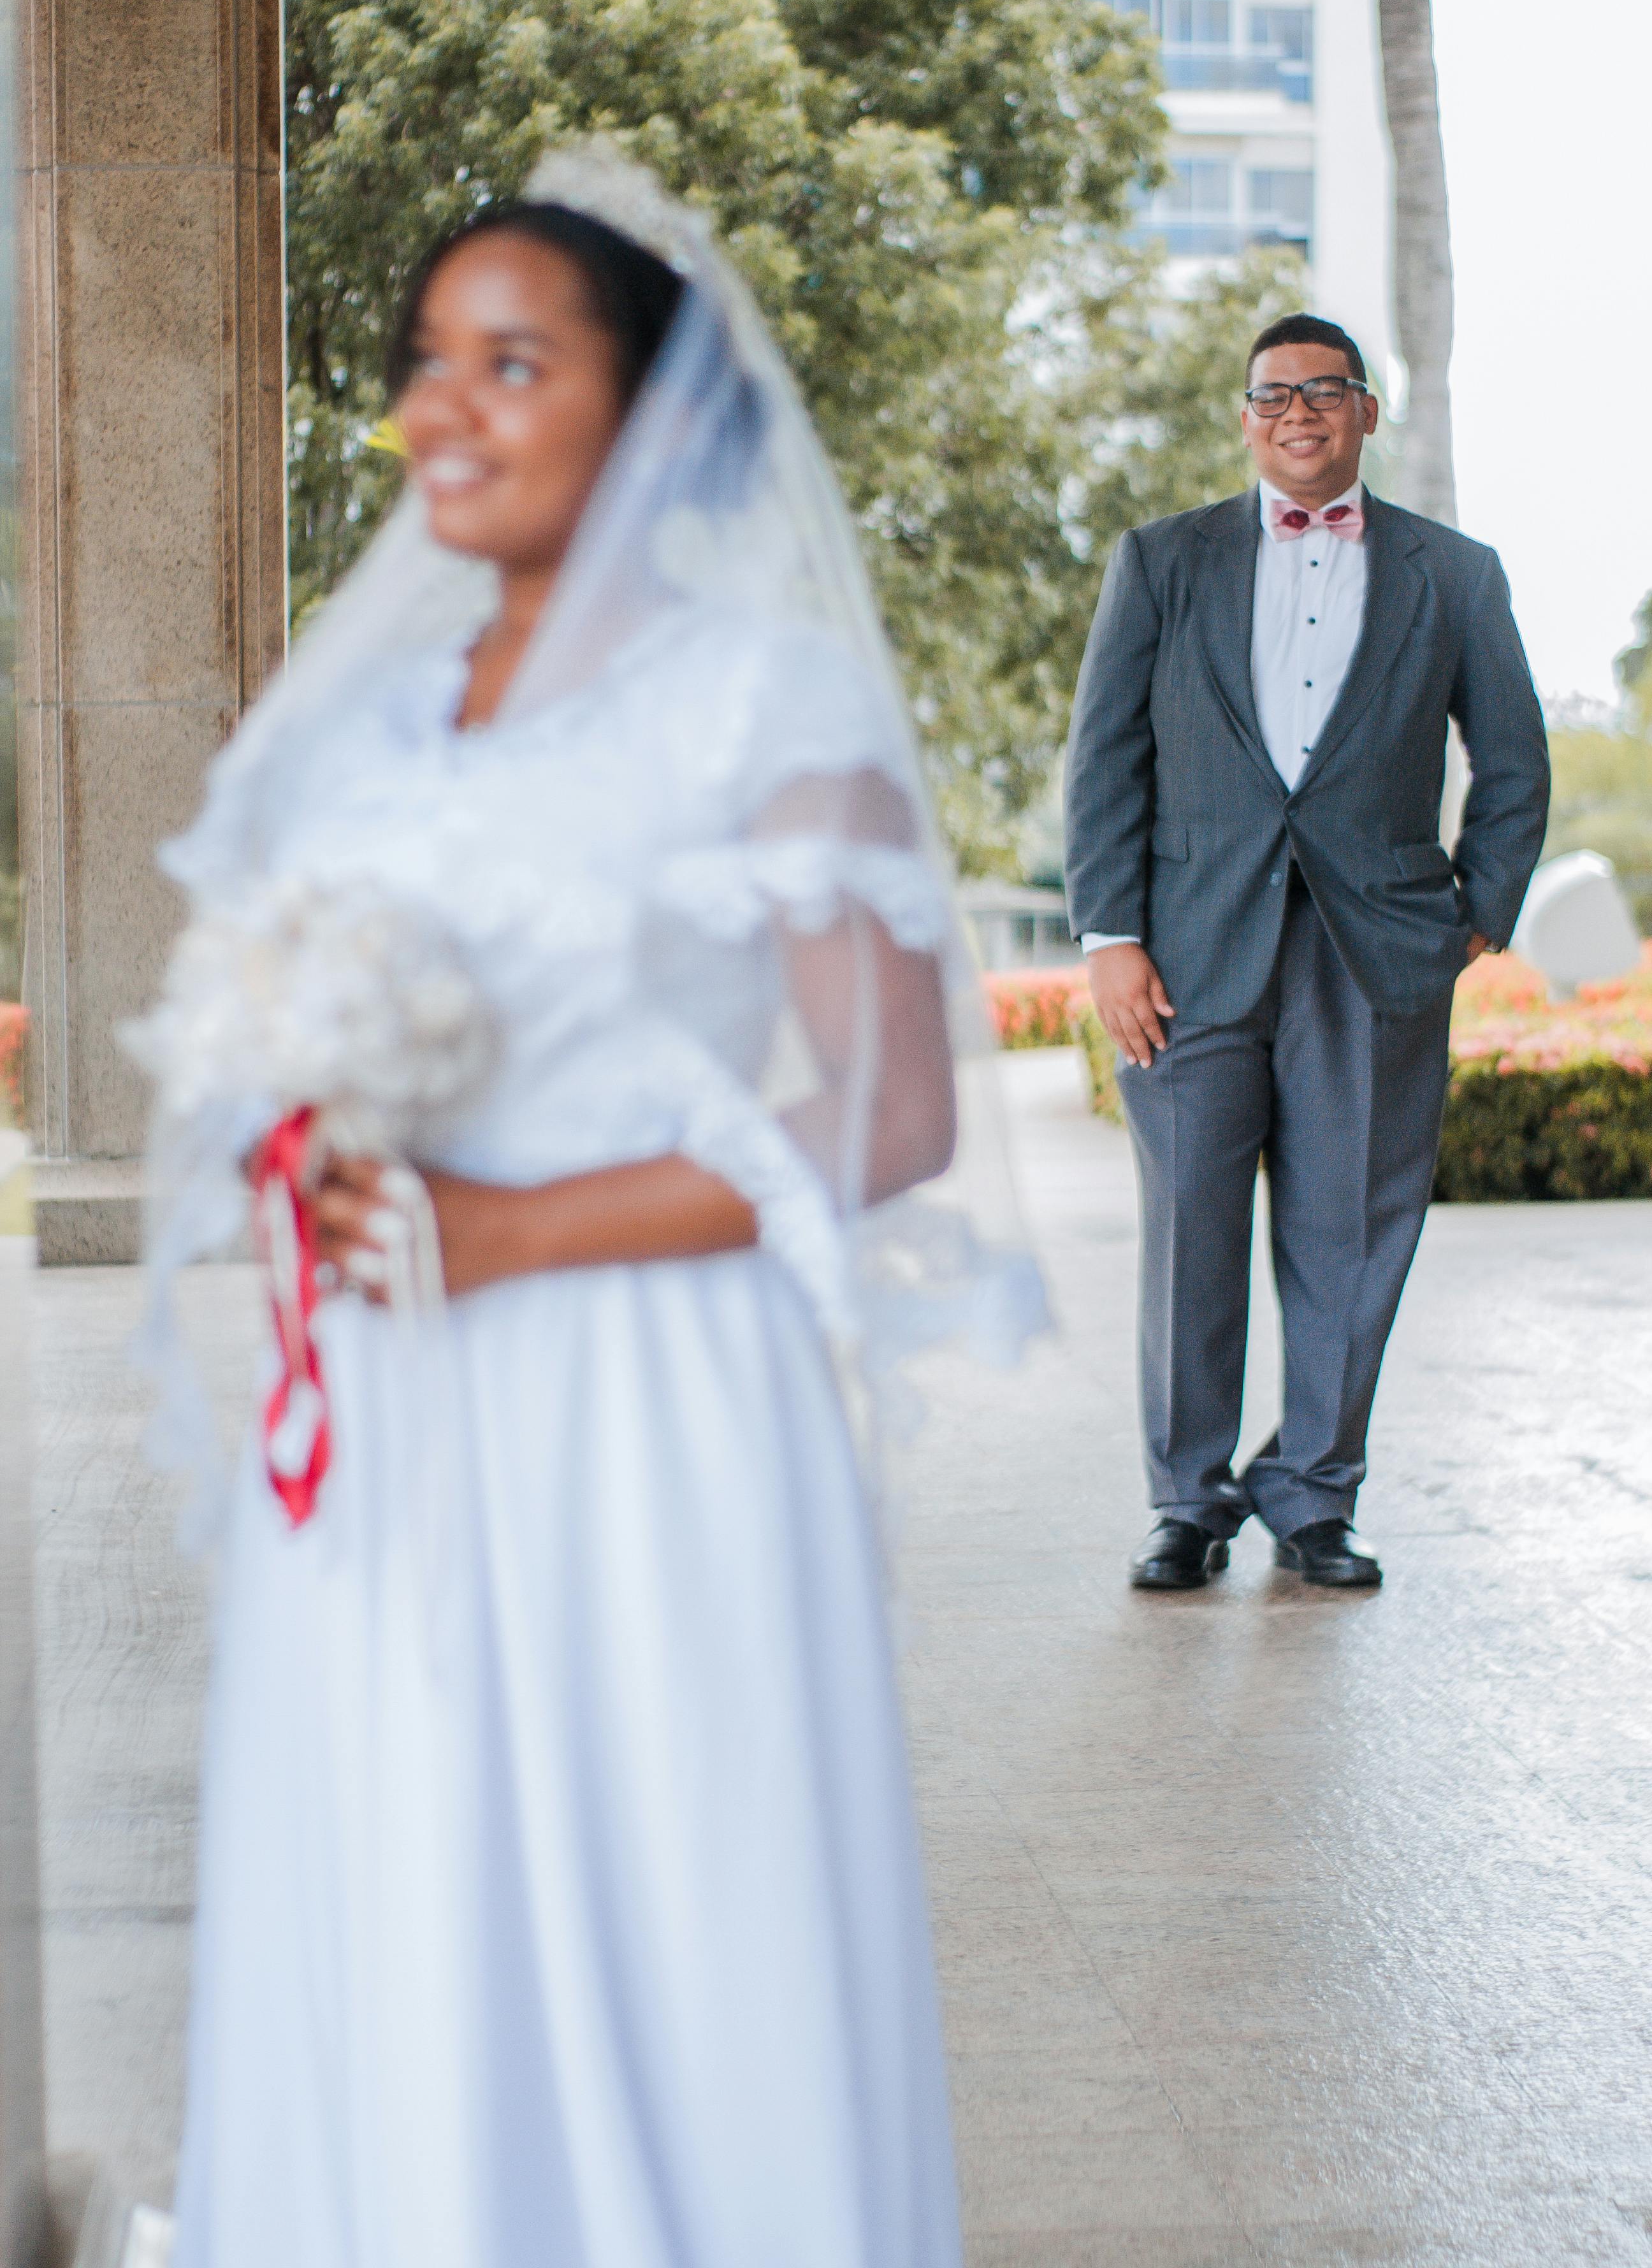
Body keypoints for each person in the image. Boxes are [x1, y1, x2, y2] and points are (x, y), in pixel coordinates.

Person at [141, 150, 1043, 2266]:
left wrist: (516, 1228)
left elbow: (895, 1105)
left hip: (645, 1394)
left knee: (659, 1870)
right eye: (424, 362)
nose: (441, 407)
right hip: (383, 1403)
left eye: (513, 361)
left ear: (652, 417)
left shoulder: (763, 706)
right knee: (399, 1860)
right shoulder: (371, 728)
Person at [1064, 312, 1548, 1592]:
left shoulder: (1457, 573)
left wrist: (1474, 915)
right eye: (1275, 395)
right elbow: (1106, 758)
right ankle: (1188, 1499)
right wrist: (1111, 936)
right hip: (1185, 956)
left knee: (1352, 1237)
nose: (1299, 413)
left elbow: (1512, 760)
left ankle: (1316, 1497)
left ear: (1366, 413)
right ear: (1245, 417)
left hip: (1377, 955)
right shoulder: (1161, 562)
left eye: (1325, 392)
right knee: (1190, 1235)